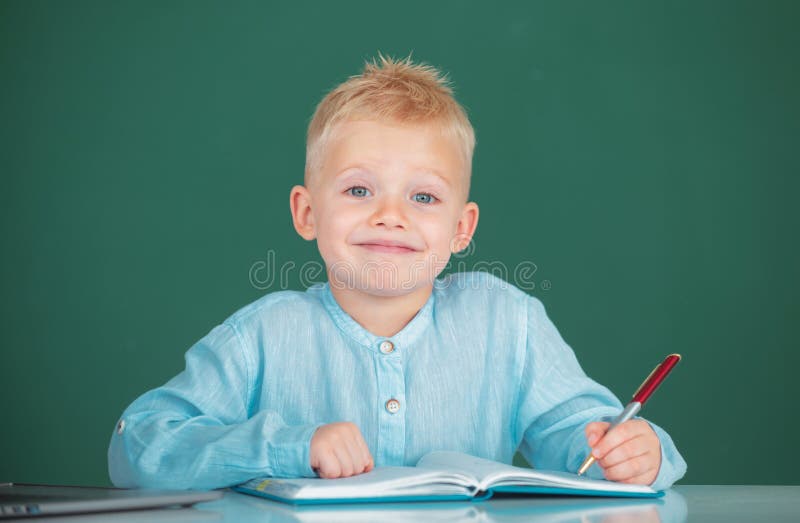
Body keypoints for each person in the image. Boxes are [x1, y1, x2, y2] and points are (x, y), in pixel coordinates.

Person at [108, 54, 686, 491]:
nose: (390, 216)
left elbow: (581, 433)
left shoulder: (507, 323)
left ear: (462, 229)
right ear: (307, 213)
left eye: (424, 198)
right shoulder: (263, 335)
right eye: (359, 189)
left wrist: (639, 453)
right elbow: (137, 444)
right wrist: (290, 447)